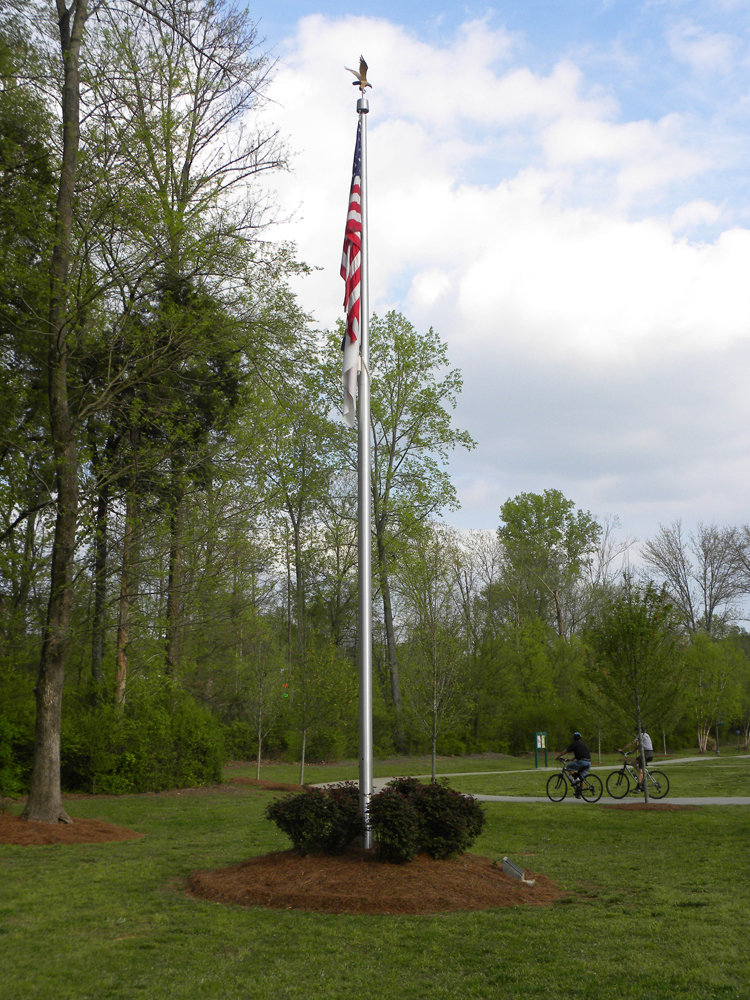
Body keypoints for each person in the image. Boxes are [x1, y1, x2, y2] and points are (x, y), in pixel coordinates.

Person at [556, 732, 592, 798]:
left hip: (582, 762)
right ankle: (579, 793)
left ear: (574, 738)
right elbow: (582, 754)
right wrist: (572, 759)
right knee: (582, 778)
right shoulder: (583, 744)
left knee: (568, 767)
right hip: (588, 763)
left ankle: (575, 778)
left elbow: (566, 751)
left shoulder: (574, 744)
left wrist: (559, 756)